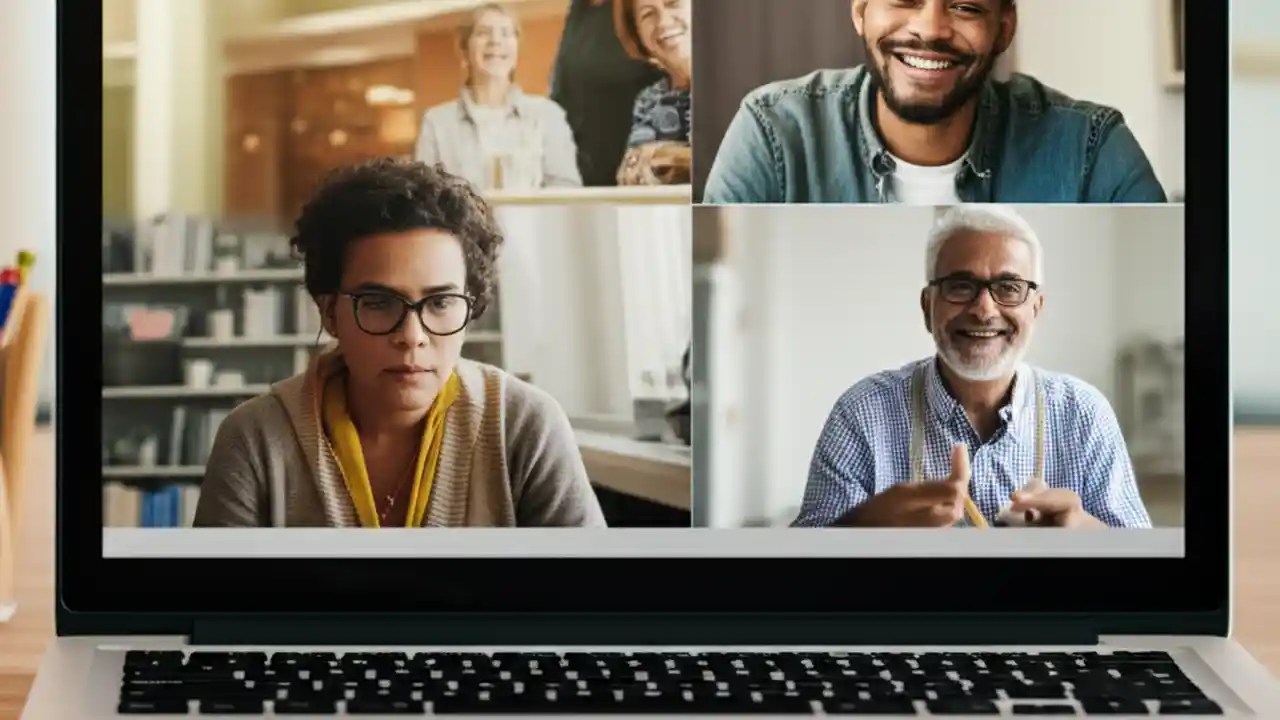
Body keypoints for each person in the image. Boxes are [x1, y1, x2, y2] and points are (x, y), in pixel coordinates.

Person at [195, 159, 606, 528]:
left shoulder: (523, 426)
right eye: (378, 303)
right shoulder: (256, 438)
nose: (412, 337)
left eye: (441, 302)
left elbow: (590, 605)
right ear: (329, 312)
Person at [792, 205, 1152, 528]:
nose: (984, 309)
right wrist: (862, 528)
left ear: (1036, 309)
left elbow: (1150, 574)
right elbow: (796, 571)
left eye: (1009, 287)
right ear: (927, 307)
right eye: (961, 286)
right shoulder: (862, 413)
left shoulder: (1084, 413)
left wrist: (1089, 538)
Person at [703, 0, 1167, 204]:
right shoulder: (772, 132)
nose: (930, 29)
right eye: (905, 0)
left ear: (1004, 28)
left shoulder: (1091, 150)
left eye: (965, 6)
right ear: (861, 10)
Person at [414, 3, 582, 190]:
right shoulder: (436, 123)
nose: (495, 41)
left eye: (506, 33)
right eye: (483, 32)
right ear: (464, 50)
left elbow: (566, 192)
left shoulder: (548, 115)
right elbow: (425, 199)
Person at [549, 0, 666, 186]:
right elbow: (562, 91)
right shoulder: (580, 9)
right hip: (581, 177)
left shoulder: (633, 7)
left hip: (637, 174)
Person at [613, 0, 692, 186]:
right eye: (648, 14)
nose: (663, 22)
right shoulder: (648, 101)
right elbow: (635, 169)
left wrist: (670, 157)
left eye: (673, 3)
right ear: (637, 33)